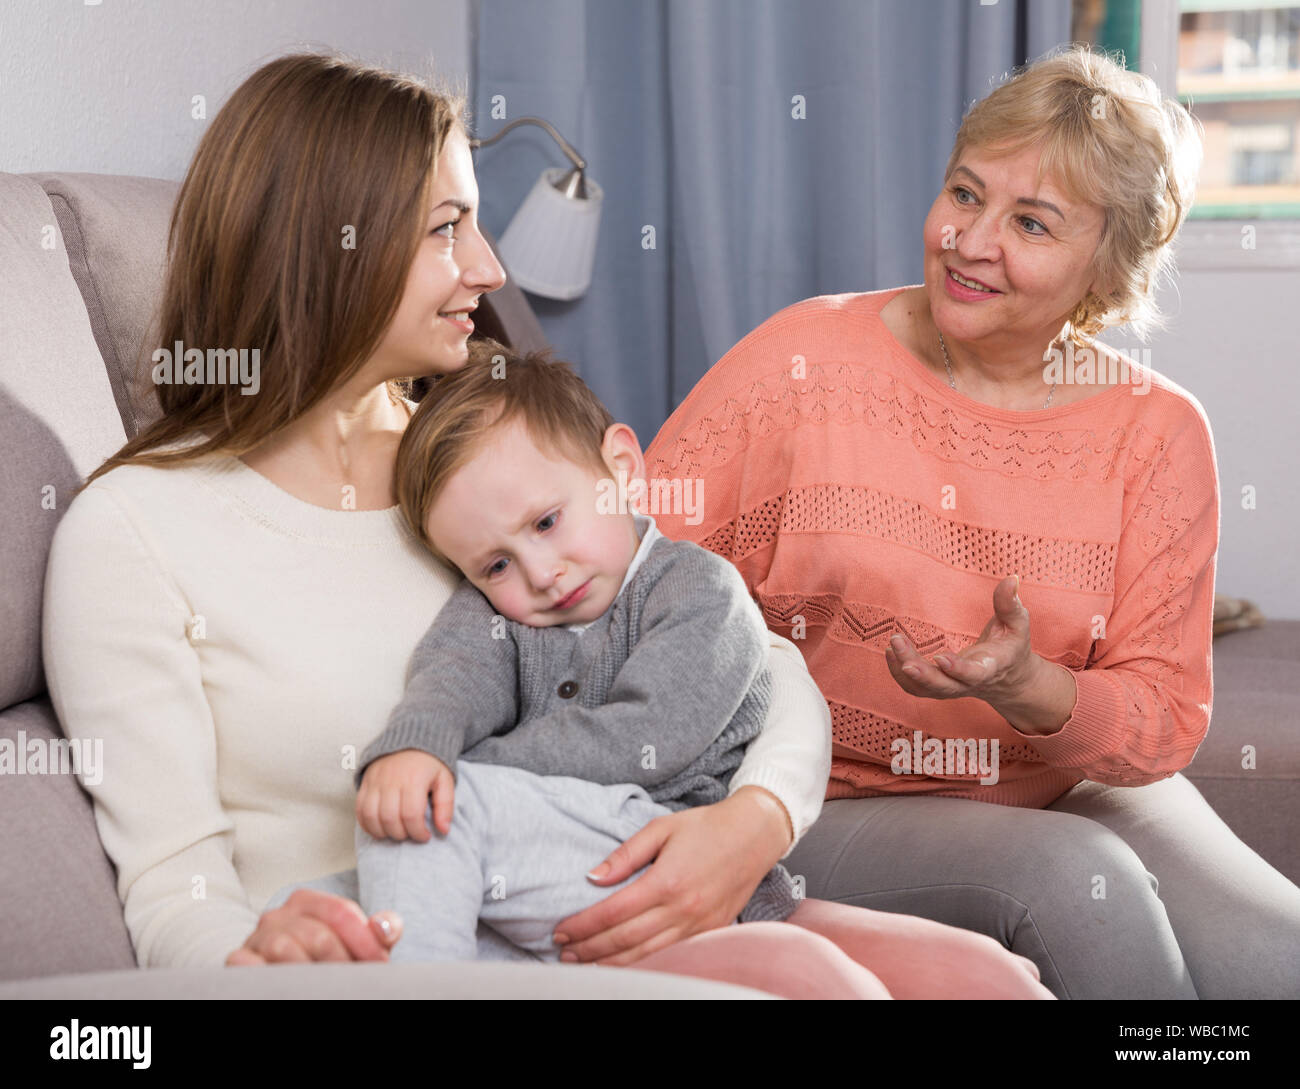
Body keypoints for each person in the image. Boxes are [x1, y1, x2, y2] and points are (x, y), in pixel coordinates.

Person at [40, 51, 1034, 1000]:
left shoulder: (475, 450)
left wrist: (755, 822)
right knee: (818, 987)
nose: (486, 266)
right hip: (423, 947)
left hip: (615, 883)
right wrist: (252, 958)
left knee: (992, 981)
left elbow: (749, 658)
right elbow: (173, 890)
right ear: (328, 245)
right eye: (445, 230)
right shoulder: (136, 533)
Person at [641, 45, 1300, 999]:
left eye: (1030, 222)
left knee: (1279, 959)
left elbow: (1158, 720)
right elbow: (632, 580)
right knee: (1081, 884)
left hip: (1061, 776)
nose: (970, 240)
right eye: (964, 194)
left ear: (1106, 272)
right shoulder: (800, 363)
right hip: (827, 791)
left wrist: (1033, 689)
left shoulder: (1156, 433)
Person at [260, 342, 1051, 997]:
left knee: (991, 976)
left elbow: (656, 732)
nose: (538, 572)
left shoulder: (697, 588)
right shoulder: (499, 616)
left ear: (621, 469)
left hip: (725, 885)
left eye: (547, 520)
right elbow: (452, 671)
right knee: (818, 981)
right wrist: (419, 746)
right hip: (597, 888)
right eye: (495, 562)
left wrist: (471, 771)